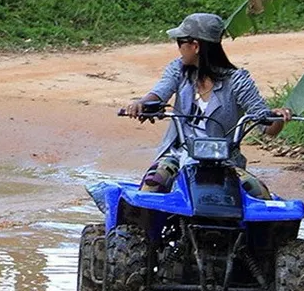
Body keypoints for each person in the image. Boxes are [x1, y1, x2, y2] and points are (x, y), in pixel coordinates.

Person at [125, 12, 294, 197]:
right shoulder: (178, 69)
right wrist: (142, 104)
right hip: (178, 155)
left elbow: (267, 126)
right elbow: (160, 92)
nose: (179, 48)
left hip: (225, 161)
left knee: (260, 194)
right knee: (151, 186)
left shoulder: (237, 80)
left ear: (195, 46)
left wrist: (277, 117)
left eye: (180, 42)